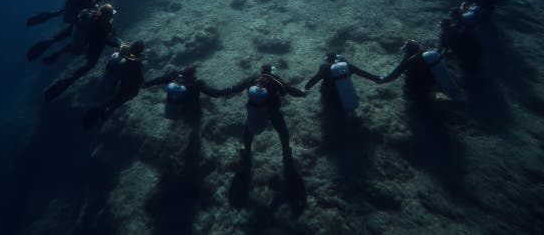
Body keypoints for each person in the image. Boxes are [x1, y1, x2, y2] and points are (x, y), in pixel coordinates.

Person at [226, 64, 306, 208]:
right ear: (271, 72)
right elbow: (287, 90)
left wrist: (223, 91)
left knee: (248, 131)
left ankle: (246, 151)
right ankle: (286, 151)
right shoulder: (275, 79)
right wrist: (302, 92)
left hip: (256, 112)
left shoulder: (252, 79)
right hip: (273, 112)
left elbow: (237, 88)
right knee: (283, 132)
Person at [41, 3, 122, 102]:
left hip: (83, 41)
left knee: (72, 47)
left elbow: (77, 21)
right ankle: (71, 79)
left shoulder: (91, 16)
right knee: (89, 65)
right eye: (111, 15)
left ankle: (56, 54)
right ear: (108, 15)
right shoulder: (105, 26)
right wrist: (118, 44)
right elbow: (108, 39)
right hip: (94, 47)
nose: (112, 17)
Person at [25, 0, 102, 60]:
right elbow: (86, 8)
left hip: (69, 12)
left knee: (60, 34)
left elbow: (72, 0)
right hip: (77, 17)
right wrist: (95, 9)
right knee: (69, 34)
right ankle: (55, 52)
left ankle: (46, 47)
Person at [82, 40, 145, 129]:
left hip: (105, 83)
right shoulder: (134, 63)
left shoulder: (119, 53)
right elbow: (133, 79)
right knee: (110, 105)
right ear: (139, 51)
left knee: (104, 104)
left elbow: (114, 41)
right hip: (119, 89)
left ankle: (92, 118)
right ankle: (98, 119)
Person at [143, 65, 232, 121]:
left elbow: (159, 80)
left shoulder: (174, 77)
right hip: (193, 110)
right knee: (195, 122)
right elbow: (214, 93)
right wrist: (230, 90)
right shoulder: (197, 84)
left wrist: (147, 84)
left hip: (178, 106)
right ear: (193, 75)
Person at [377, 40, 460, 99]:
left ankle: (431, 98)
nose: (405, 50)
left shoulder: (410, 60)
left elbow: (396, 73)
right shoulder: (426, 53)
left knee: (410, 93)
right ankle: (437, 94)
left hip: (420, 87)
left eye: (406, 48)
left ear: (409, 49)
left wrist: (383, 80)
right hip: (432, 83)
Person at [304, 53, 380, 112]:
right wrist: (377, 78)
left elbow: (314, 79)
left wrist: (306, 88)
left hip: (330, 95)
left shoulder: (324, 68)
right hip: (345, 92)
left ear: (327, 59)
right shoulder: (347, 66)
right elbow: (362, 73)